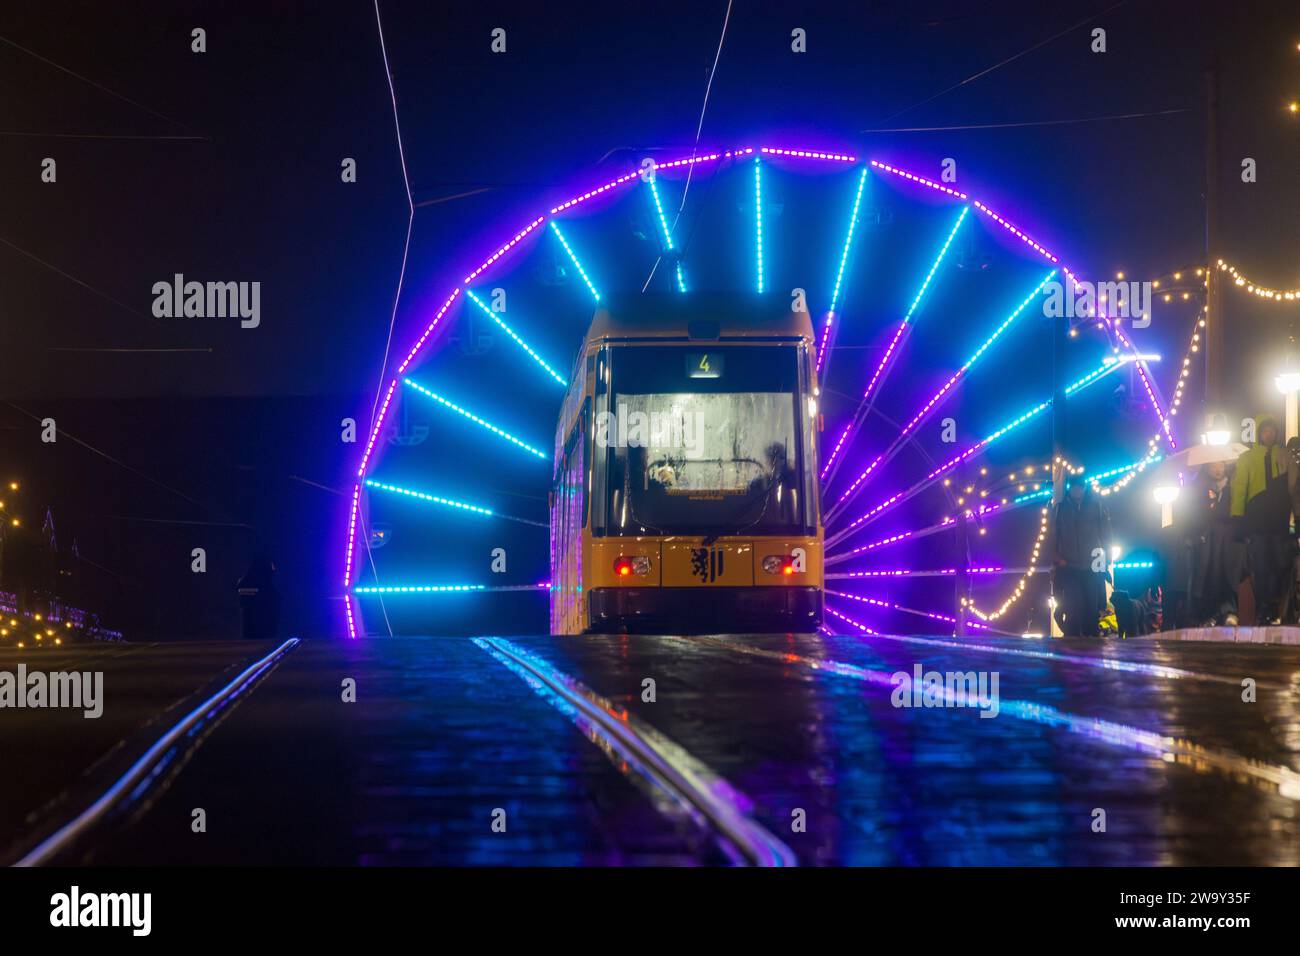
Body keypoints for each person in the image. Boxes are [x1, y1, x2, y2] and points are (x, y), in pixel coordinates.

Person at [1230, 415, 1292, 625]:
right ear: (1259, 433)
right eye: (1265, 430)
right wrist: (1238, 518)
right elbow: (1240, 488)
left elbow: (1292, 487)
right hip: (1258, 520)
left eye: (1272, 430)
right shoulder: (1248, 458)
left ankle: (1274, 607)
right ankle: (1265, 607)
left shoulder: (1283, 455)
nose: (1269, 434)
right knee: (1262, 566)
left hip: (1279, 520)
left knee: (1280, 564)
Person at [1052, 475, 1113, 637]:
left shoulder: (1096, 506)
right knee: (1073, 607)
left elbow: (1106, 535)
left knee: (1091, 609)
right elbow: (1053, 535)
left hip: (1091, 565)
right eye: (1074, 487)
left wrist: (1105, 562)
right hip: (1069, 566)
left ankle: (1091, 646)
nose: (1077, 490)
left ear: (1084, 488)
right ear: (1069, 488)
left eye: (1080, 486)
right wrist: (1056, 557)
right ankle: (1072, 644)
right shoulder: (1060, 508)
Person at [1189, 460, 1241, 626]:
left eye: (1221, 465)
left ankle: (1229, 610)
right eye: (1213, 466)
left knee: (1228, 572)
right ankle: (1211, 614)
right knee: (1209, 574)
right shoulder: (1200, 488)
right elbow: (1195, 513)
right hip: (1208, 536)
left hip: (1228, 536)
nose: (1218, 470)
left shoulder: (1233, 486)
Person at [237, 553, 281, 641]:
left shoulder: (270, 584)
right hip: (255, 627)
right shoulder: (249, 582)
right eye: (271, 565)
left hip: (264, 628)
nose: (274, 569)